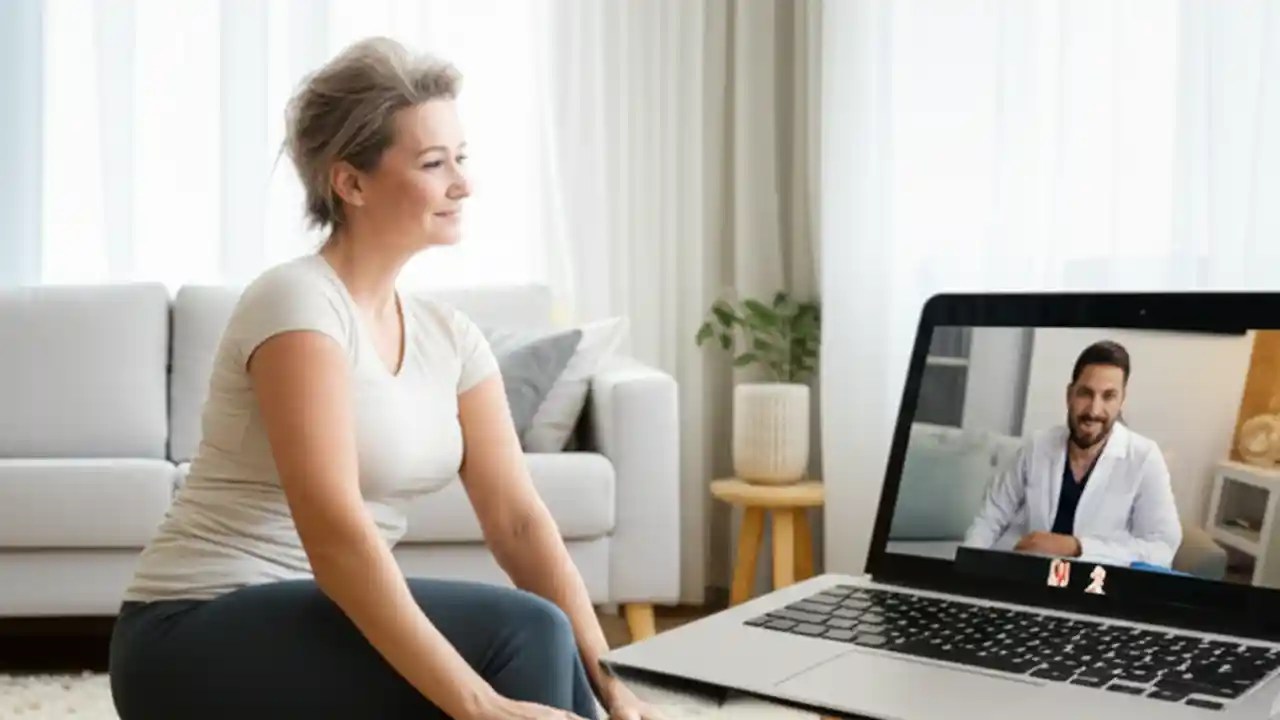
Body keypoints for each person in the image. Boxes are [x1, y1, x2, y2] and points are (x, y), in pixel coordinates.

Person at [108, 37, 663, 720]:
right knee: (523, 636)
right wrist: (478, 704)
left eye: (462, 158)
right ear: (351, 182)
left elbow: (519, 523)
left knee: (551, 656)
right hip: (192, 630)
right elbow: (337, 535)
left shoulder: (451, 338)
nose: (462, 183)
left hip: (322, 626)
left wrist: (615, 687)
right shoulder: (298, 303)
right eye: (434, 163)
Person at [962, 340, 1183, 568]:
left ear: (1121, 401)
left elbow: (1161, 549)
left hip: (1094, 589)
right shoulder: (1037, 445)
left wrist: (1075, 547)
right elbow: (990, 517)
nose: (1094, 410)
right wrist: (965, 569)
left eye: (1108, 396)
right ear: (1069, 395)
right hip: (1027, 578)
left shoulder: (1145, 457)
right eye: (1085, 394)